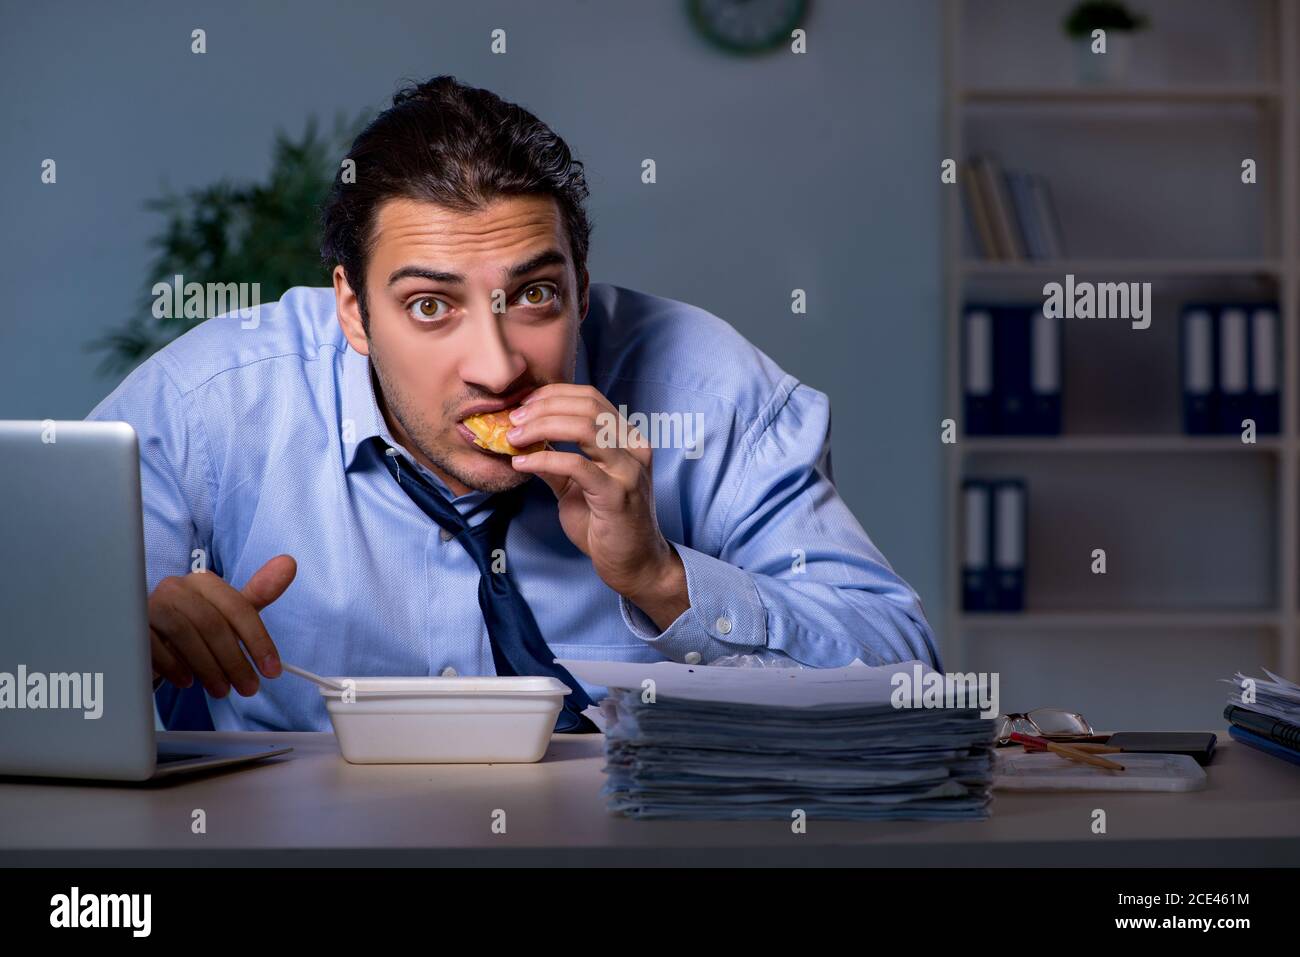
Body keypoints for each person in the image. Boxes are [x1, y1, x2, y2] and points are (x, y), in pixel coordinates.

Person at [86, 75, 939, 733]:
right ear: (352, 309)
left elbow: (913, 681)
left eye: (533, 295)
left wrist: (663, 579)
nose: (496, 368)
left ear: (582, 285)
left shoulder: (709, 394)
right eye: (430, 306)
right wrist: (118, 642)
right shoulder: (210, 406)